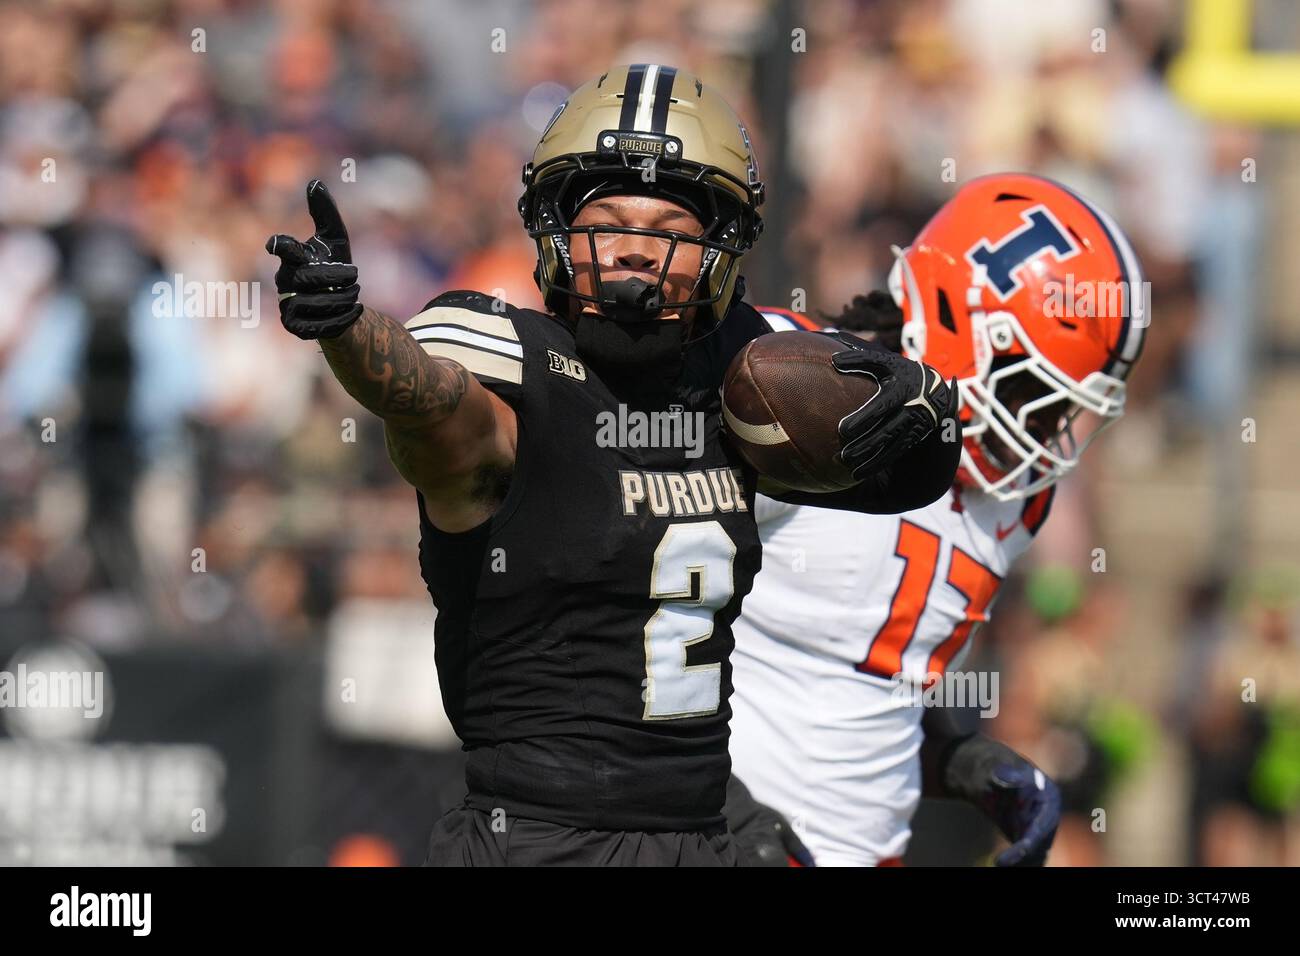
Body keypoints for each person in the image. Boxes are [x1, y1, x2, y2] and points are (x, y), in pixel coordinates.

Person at [265, 64, 960, 866]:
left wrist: (919, 402)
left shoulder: (743, 376)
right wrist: (347, 329)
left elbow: (909, 477)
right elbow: (425, 396)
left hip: (704, 835)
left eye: (670, 227)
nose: (635, 252)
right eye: (610, 220)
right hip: (532, 840)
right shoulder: (515, 374)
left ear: (720, 250)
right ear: (555, 228)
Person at [727, 173, 1147, 866]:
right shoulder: (790, 385)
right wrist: (714, 805)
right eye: (1029, 395)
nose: (1040, 436)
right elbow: (615, 622)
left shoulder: (1016, 499)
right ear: (955, 325)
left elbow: (859, 696)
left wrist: (958, 760)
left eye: (1058, 415)